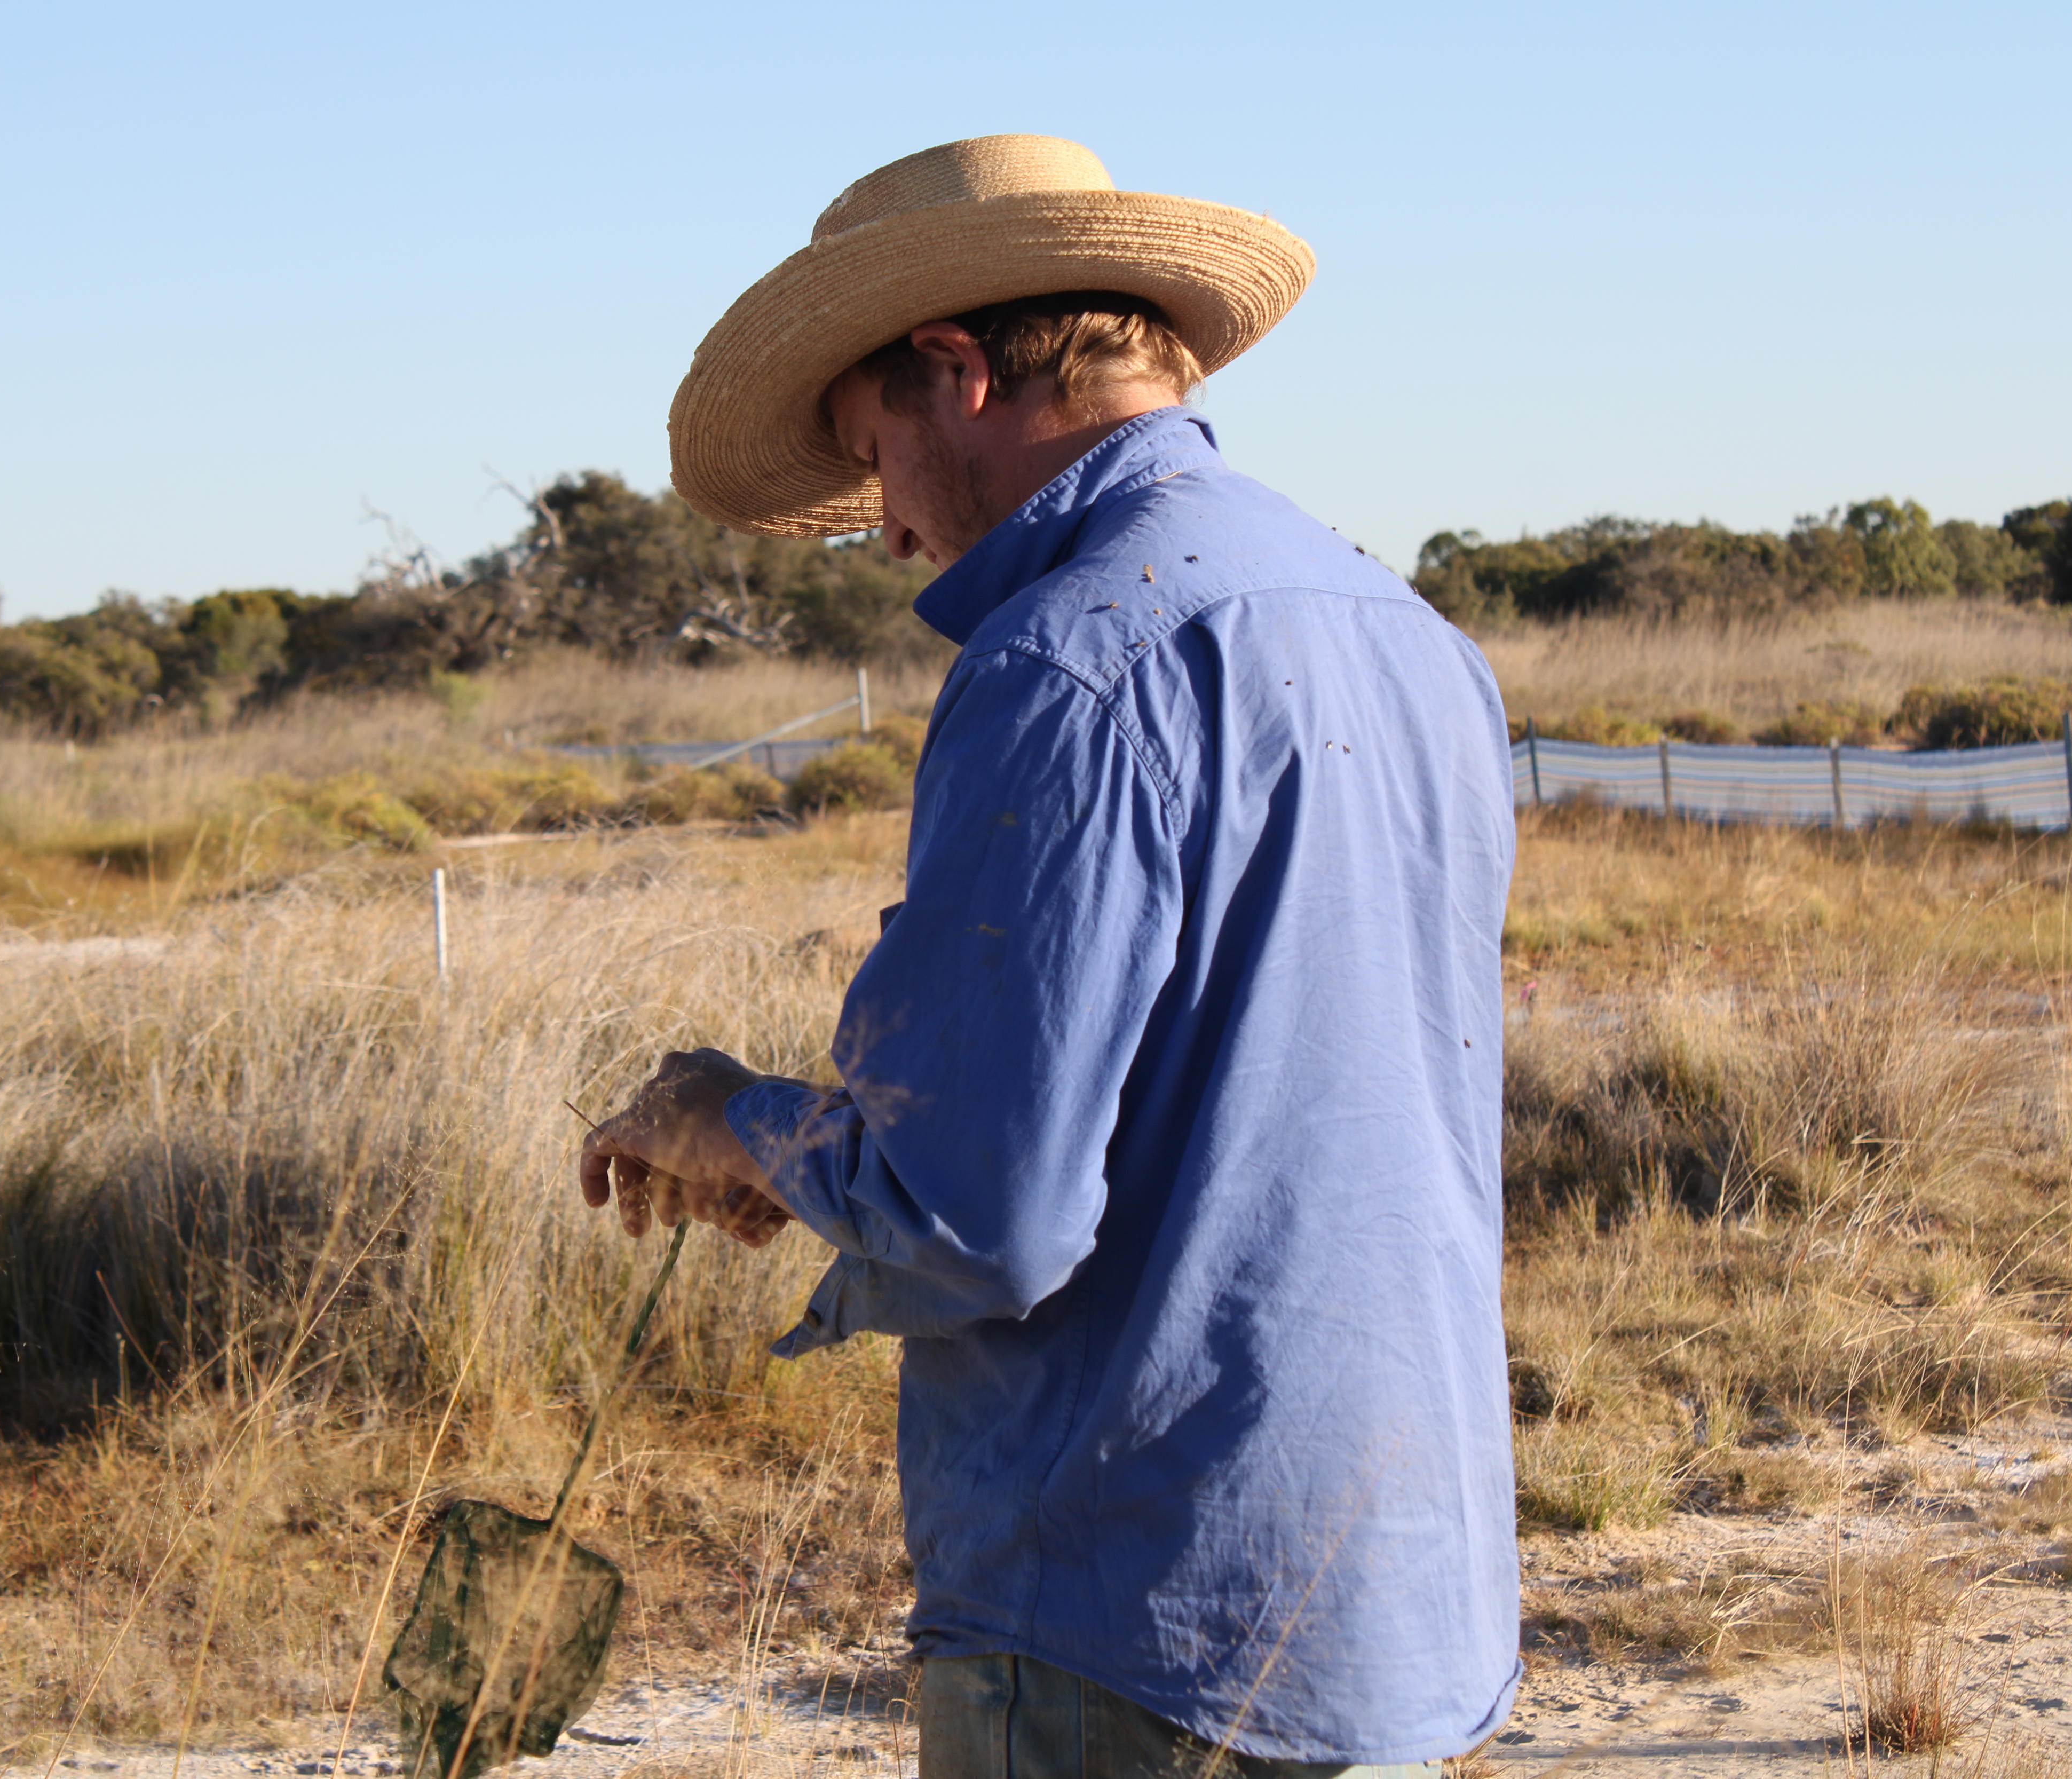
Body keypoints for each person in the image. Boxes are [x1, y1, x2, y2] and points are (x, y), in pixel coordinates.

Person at [579, 135, 1520, 1778]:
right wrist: (815, 1165)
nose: (879, 530)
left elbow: (980, 1213)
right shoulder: (1409, 636)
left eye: (872, 457)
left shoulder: (1066, 660)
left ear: (953, 369)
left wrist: (729, 1119)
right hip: (1396, 1585)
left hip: (1129, 1611)